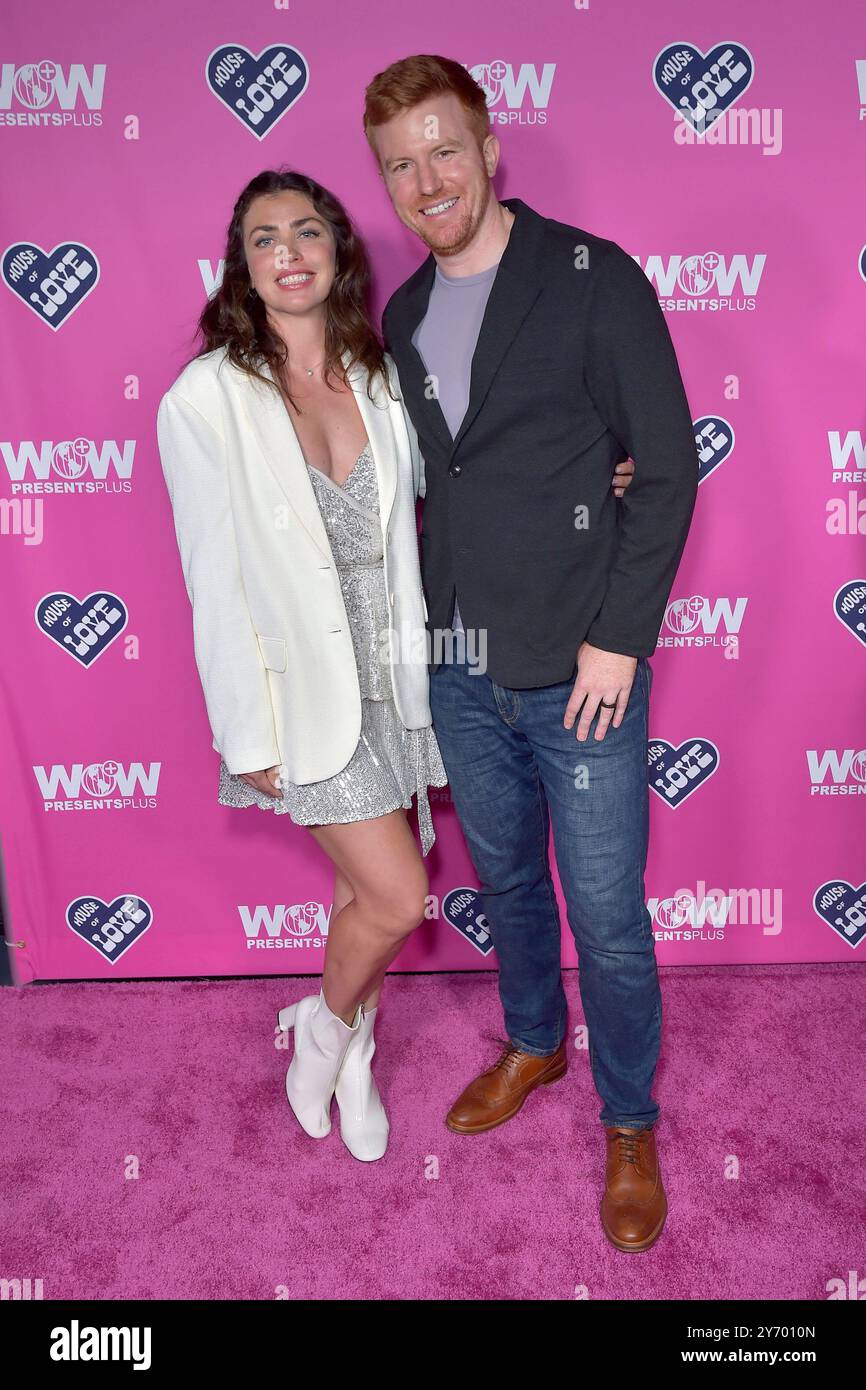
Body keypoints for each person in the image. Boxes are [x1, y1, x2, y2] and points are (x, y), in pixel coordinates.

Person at [156, 168, 635, 1167]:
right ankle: (324, 1029)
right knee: (394, 896)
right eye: (262, 239)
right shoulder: (205, 399)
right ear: (240, 267)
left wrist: (604, 466)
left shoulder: (377, 373)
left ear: (336, 251)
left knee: (352, 897)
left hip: (400, 684)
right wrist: (246, 733)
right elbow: (211, 580)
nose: (288, 252)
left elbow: (484, 466)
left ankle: (355, 1053)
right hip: (299, 701)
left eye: (305, 232)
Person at [363, 54, 698, 1247]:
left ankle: (627, 1114)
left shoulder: (590, 277)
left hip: (582, 673)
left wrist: (619, 637)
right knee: (503, 883)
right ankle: (535, 1046)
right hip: (461, 668)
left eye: (442, 148)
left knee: (604, 911)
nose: (425, 179)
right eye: (399, 164)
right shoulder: (399, 317)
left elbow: (660, 465)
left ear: (489, 147)